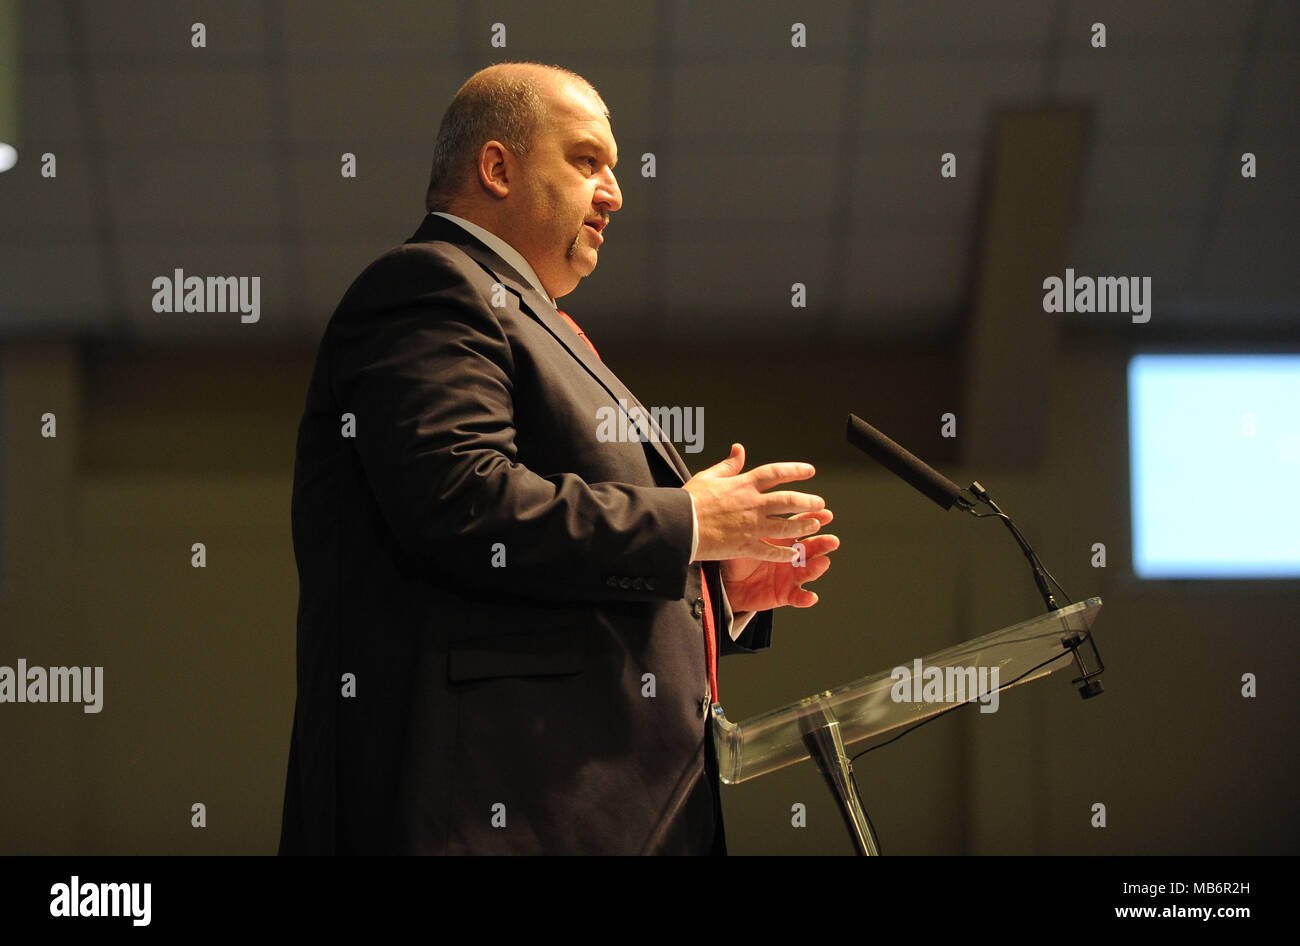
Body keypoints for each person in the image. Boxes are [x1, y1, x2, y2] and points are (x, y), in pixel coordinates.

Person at [278, 61, 839, 855]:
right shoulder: (429, 286)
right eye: (586, 161)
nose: (614, 192)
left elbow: (558, 580)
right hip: (483, 814)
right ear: (498, 167)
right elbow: (465, 502)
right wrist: (690, 521)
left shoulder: (531, 320)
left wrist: (708, 589)